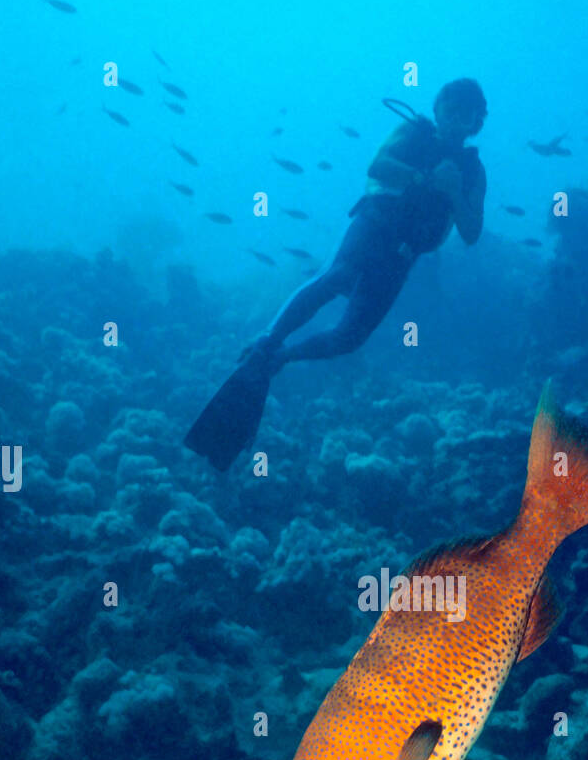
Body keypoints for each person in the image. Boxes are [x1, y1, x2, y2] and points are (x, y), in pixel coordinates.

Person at [185, 79, 487, 470]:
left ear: (477, 122)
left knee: (350, 338)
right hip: (374, 224)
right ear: (437, 109)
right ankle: (266, 342)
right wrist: (427, 179)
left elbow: (471, 231)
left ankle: (279, 359)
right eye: (450, 110)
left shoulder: (473, 170)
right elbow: (377, 165)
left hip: (402, 255)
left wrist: (454, 192)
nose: (456, 121)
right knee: (337, 276)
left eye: (467, 115)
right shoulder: (413, 131)